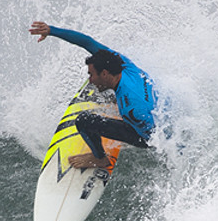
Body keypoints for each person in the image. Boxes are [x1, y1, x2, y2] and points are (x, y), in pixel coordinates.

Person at [29, 21, 157, 170]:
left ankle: (100, 159)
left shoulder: (131, 109)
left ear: (105, 73)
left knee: (84, 121)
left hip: (145, 129)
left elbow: (151, 138)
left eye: (91, 75)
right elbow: (87, 42)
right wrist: (51, 30)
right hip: (151, 100)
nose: (90, 80)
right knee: (105, 92)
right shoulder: (123, 64)